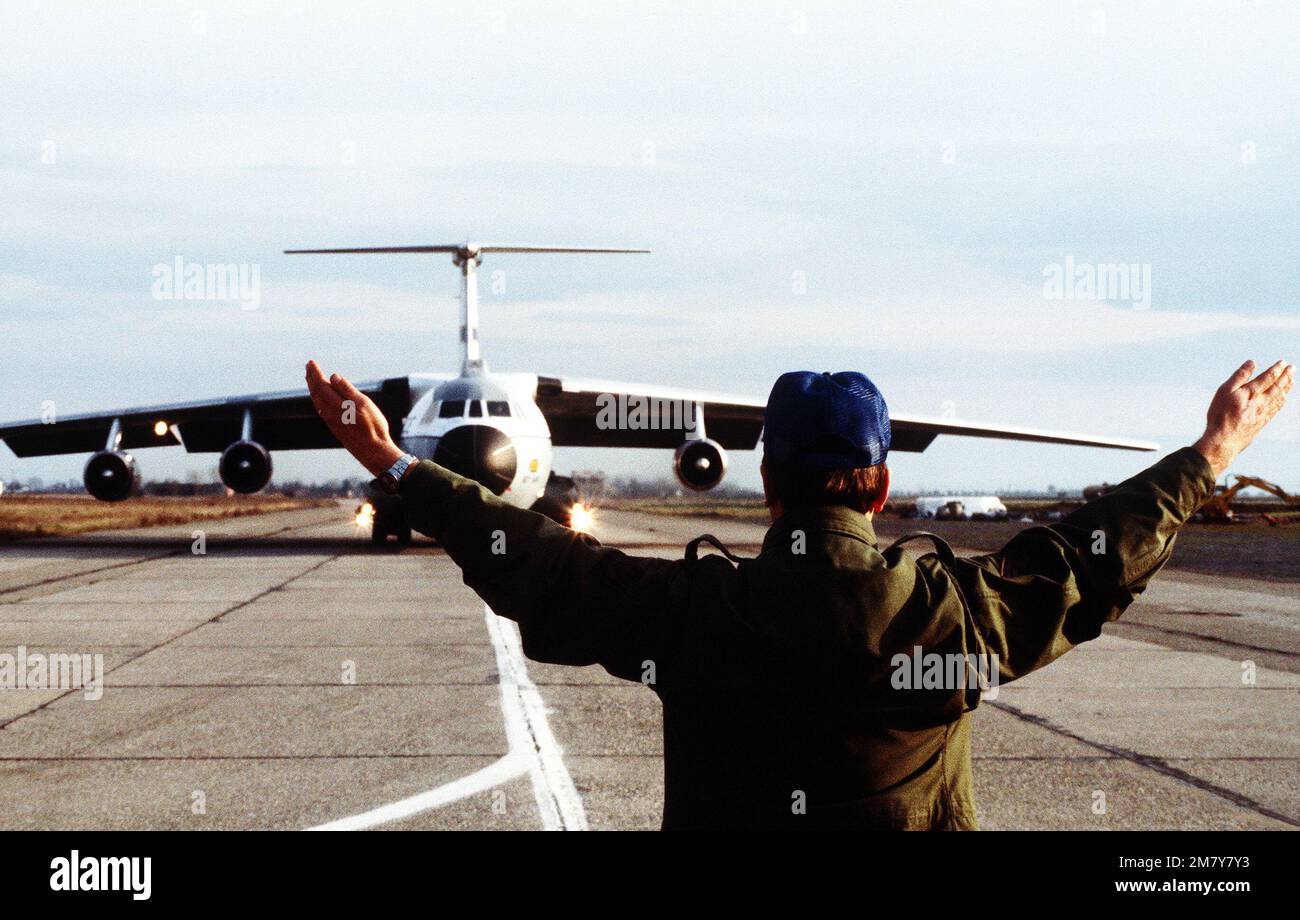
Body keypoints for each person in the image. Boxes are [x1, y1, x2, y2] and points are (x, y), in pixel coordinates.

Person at [305, 358, 1293, 829]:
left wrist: (396, 464)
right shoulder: (953, 615)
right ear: (879, 483)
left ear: (767, 482)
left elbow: (539, 564)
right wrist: (1209, 452)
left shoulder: (693, 613)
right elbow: (1082, 558)